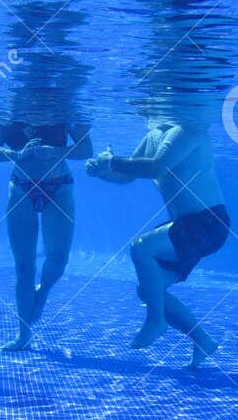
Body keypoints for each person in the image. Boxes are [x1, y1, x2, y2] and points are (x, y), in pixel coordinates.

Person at [86, 115, 228, 367]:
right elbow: (126, 174)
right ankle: (202, 340)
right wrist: (102, 170)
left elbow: (155, 167)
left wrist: (114, 161)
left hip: (207, 223)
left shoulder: (189, 127)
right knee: (150, 289)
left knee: (141, 248)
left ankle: (155, 320)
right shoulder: (154, 135)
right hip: (187, 225)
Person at [0, 119, 92, 351]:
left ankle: (42, 293)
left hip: (60, 186)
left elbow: (86, 149)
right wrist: (16, 154)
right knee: (24, 267)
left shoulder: (65, 108)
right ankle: (23, 335)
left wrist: (56, 151)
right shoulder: (8, 112)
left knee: (59, 259)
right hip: (21, 186)